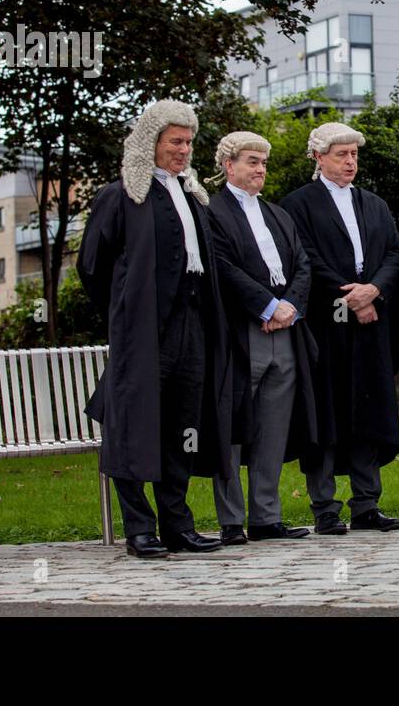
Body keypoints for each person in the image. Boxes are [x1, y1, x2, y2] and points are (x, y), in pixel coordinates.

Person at [78, 99, 231, 558]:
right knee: (133, 425)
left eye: (188, 142)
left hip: (193, 323)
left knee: (183, 426)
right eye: (174, 142)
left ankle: (178, 524)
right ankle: (138, 527)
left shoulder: (192, 195)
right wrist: (127, 306)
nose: (183, 150)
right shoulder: (122, 194)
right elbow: (93, 266)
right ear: (151, 142)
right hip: (143, 330)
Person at [280, 122, 399, 534]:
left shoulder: (374, 204)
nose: (350, 162)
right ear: (318, 157)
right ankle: (325, 507)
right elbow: (304, 259)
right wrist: (350, 297)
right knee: (327, 413)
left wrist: (374, 291)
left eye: (354, 154)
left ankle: (367, 504)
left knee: (369, 410)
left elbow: (394, 253)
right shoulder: (298, 204)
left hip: (373, 323)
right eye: (341, 155)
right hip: (326, 324)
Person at [206, 131, 320, 545]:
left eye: (264, 163)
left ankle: (266, 518)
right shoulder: (212, 212)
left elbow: (303, 265)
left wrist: (288, 307)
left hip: (285, 333)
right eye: (252, 161)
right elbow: (222, 267)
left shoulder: (278, 213)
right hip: (241, 333)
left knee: (273, 428)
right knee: (233, 428)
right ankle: (232, 521)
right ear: (228, 165)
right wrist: (267, 306)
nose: (260, 169)